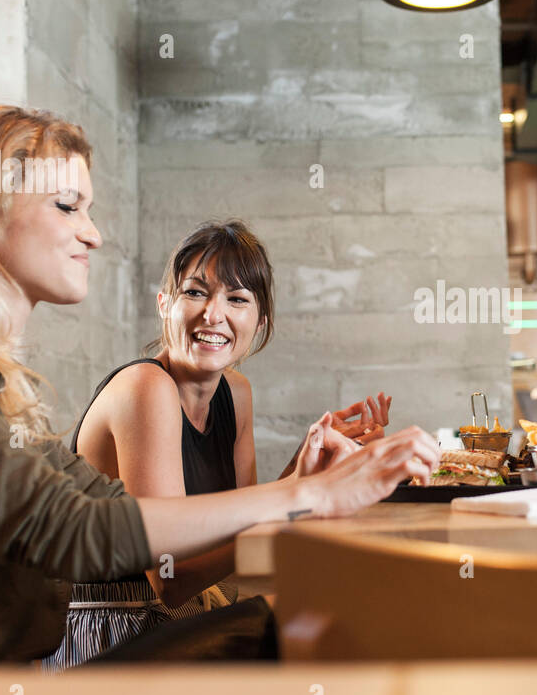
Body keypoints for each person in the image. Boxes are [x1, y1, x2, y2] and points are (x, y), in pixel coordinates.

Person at [0, 106, 436, 695]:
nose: (94, 232)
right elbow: (76, 532)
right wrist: (309, 494)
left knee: (311, 629)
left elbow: (107, 505)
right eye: (67, 207)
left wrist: (304, 481)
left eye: (88, 209)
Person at [43, 219, 394, 668]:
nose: (213, 314)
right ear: (164, 305)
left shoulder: (236, 392)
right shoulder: (145, 388)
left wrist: (310, 464)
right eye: (195, 292)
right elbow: (169, 579)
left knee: (340, 615)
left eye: (237, 299)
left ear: (259, 320)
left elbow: (235, 524)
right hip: (114, 631)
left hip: (184, 615)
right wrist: (302, 496)